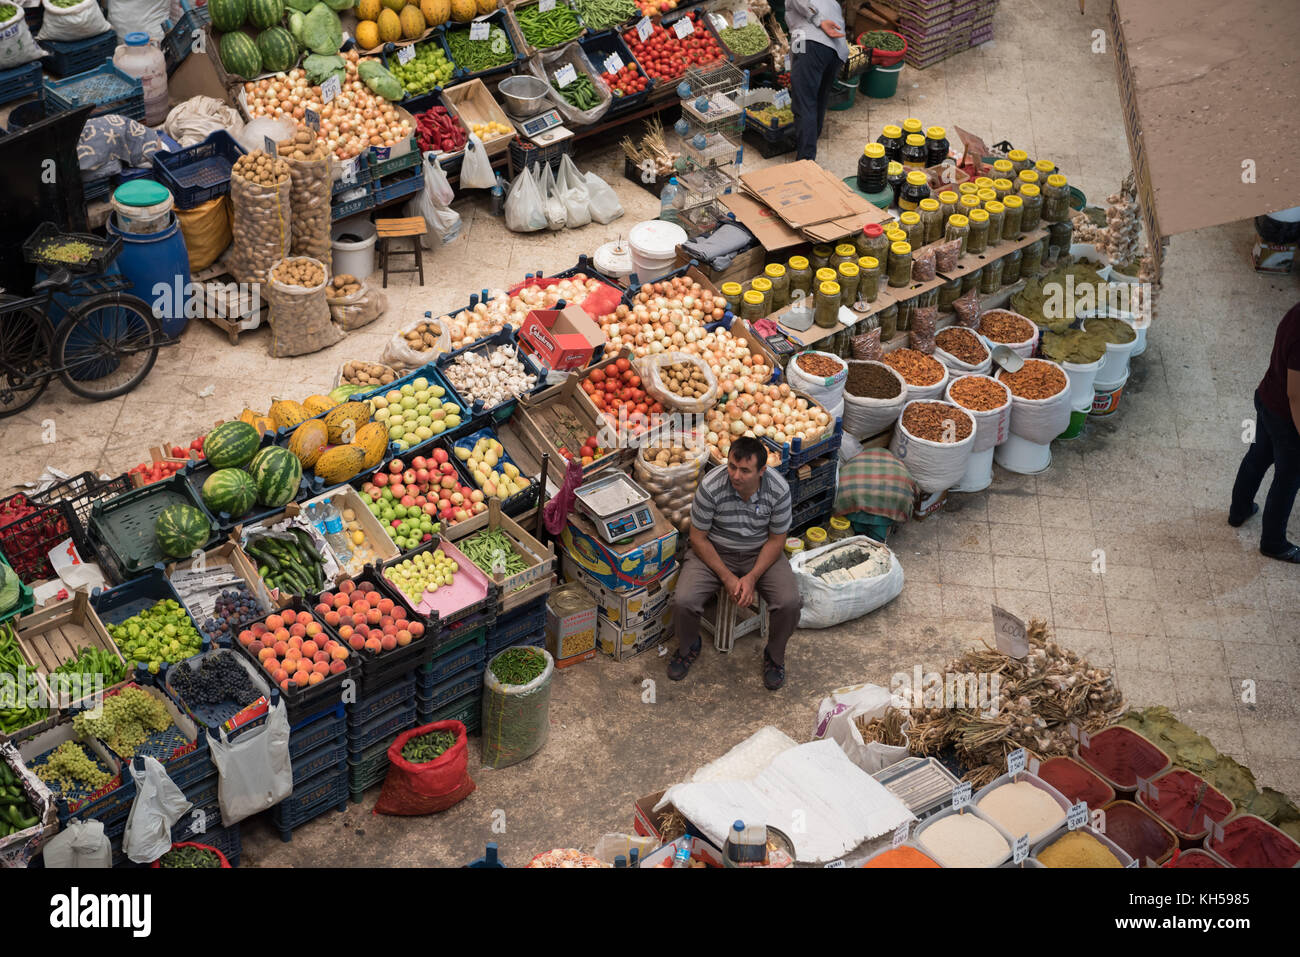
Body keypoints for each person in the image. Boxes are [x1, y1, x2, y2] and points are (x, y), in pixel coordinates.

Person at [668, 437, 802, 690]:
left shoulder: (779, 490)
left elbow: (776, 541)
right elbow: (698, 538)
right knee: (683, 601)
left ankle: (774, 656)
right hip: (713, 551)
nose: (735, 475)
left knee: (789, 603)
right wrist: (728, 577)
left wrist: (751, 577)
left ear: (762, 471)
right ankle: (688, 646)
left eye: (745, 470)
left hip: (760, 552)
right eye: (732, 466)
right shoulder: (711, 486)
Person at [1230, 301, 1300, 562]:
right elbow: (1295, 395)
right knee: (1288, 479)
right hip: (1288, 417)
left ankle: (1239, 510)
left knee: (1257, 457)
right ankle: (1273, 542)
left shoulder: (1295, 310)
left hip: (1268, 398)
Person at [786, 0, 849, 161]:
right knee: (819, 99)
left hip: (811, 44)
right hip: (837, 53)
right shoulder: (832, 2)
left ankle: (806, 160)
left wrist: (819, 20)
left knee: (804, 102)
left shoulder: (812, 9)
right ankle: (810, 140)